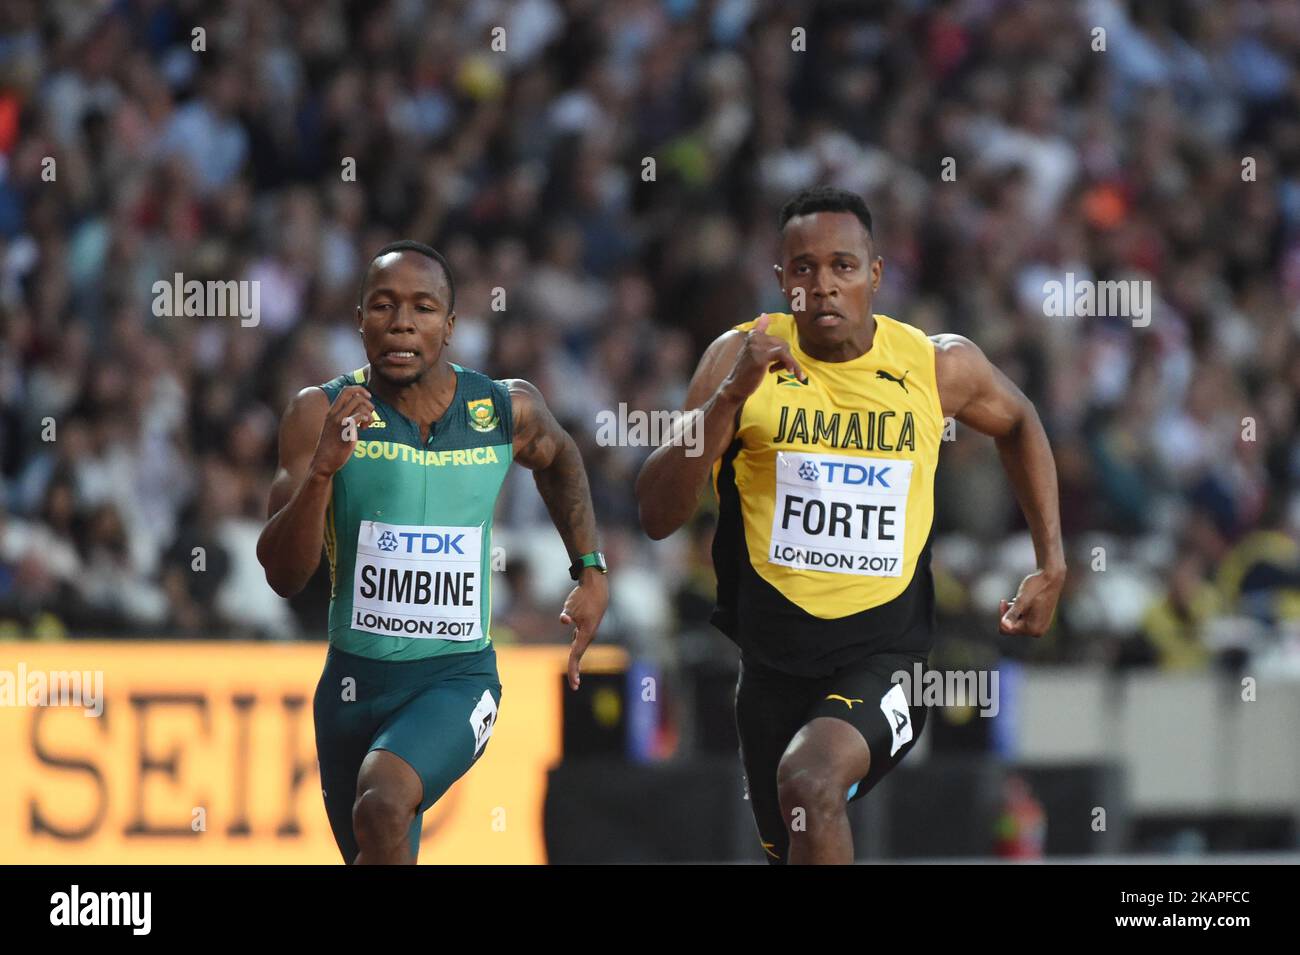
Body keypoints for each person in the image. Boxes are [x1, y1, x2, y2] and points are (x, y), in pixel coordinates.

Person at [635, 187, 1065, 864]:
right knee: (794, 835)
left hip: (885, 657)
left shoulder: (933, 364)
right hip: (771, 666)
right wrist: (730, 397)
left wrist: (1051, 561)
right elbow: (657, 514)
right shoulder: (737, 359)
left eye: (842, 265)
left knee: (810, 782)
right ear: (780, 281)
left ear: (876, 274)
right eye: (803, 268)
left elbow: (1019, 421)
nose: (823, 285)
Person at [257, 240, 608, 863]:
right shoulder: (320, 413)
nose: (401, 323)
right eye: (383, 306)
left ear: (450, 325)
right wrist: (320, 473)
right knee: (378, 839)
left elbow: (561, 459)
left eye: (422, 308)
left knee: (384, 801)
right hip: (350, 689)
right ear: (358, 320)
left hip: (457, 679)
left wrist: (590, 569)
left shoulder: (504, 408)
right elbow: (285, 575)